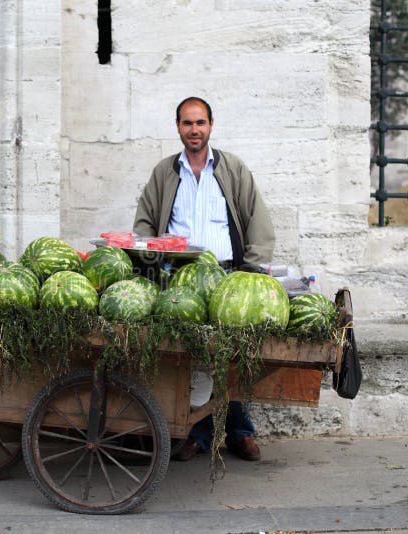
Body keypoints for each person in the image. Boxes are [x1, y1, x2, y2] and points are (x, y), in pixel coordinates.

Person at [133, 96, 276, 462]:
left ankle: (239, 432)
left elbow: (258, 221)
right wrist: (152, 266)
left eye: (199, 123)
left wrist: (254, 272)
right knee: (193, 358)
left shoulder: (232, 169)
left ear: (210, 126)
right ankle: (198, 433)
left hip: (228, 277)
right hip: (181, 280)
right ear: (178, 127)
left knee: (235, 356)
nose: (193, 130)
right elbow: (145, 224)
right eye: (186, 123)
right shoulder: (166, 173)